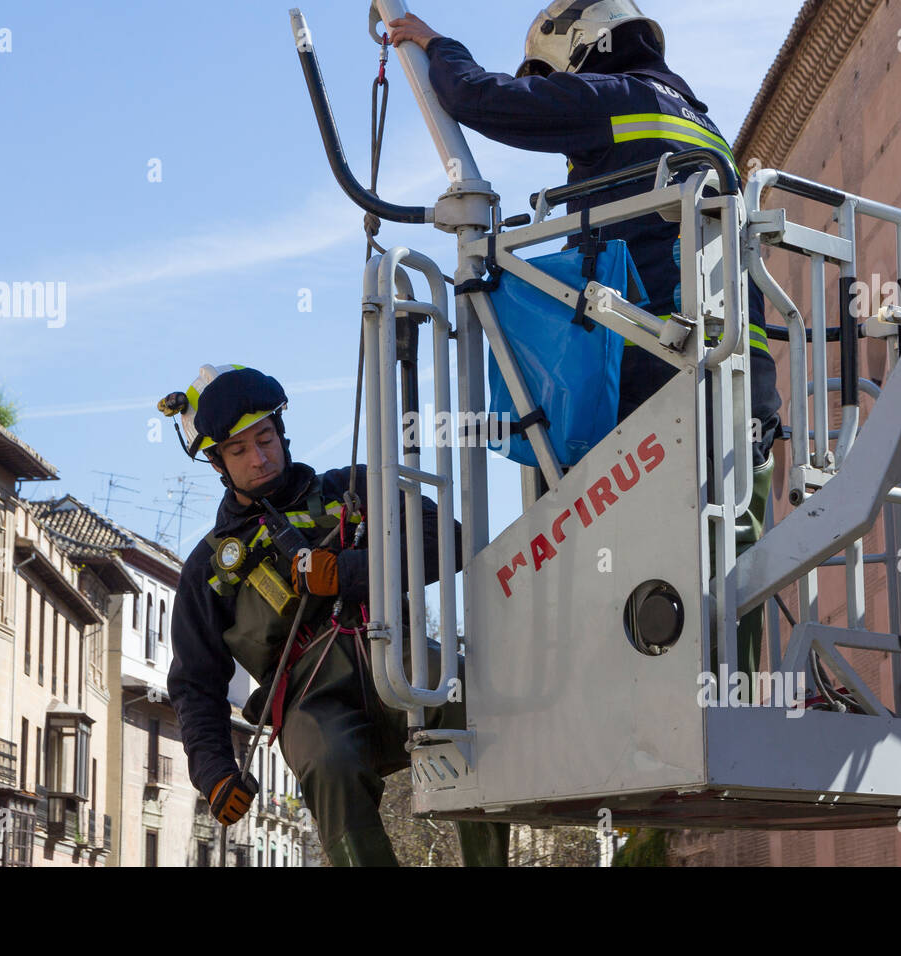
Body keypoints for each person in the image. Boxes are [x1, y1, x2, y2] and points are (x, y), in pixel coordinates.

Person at [389, 2, 782, 681]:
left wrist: (438, 47)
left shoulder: (617, 98)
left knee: (606, 544)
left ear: (581, 45)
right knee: (723, 558)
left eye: (552, 71)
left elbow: (482, 99)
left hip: (660, 363)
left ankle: (614, 712)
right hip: (746, 378)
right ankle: (727, 706)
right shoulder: (699, 124)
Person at [163, 364, 509, 866]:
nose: (259, 458)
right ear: (218, 462)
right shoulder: (207, 569)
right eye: (239, 451)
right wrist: (214, 769)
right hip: (309, 701)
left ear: (281, 431)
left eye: (265, 439)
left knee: (468, 699)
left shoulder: (355, 488)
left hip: (394, 656)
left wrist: (347, 572)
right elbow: (195, 683)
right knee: (329, 762)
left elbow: (453, 541)